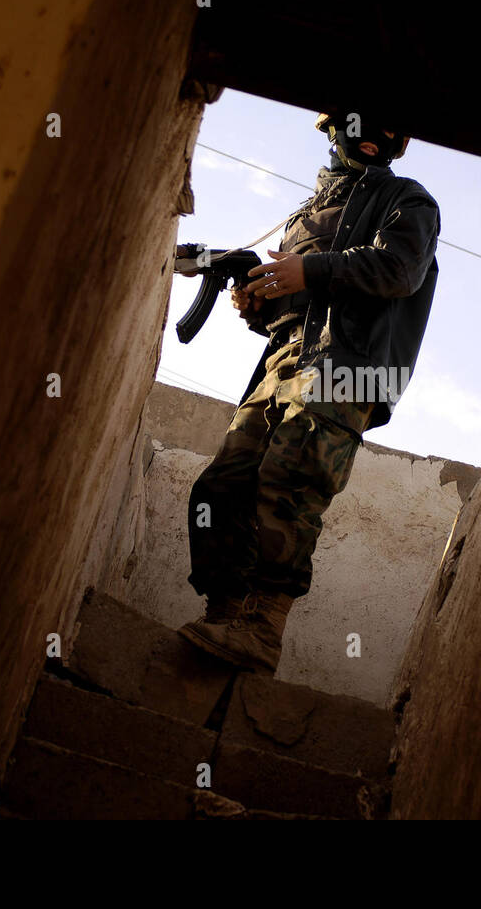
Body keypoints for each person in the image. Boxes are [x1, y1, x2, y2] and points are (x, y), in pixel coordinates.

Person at [177, 110, 441, 673]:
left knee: (292, 477)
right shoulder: (306, 214)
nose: (373, 138)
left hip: (350, 368)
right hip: (283, 362)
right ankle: (225, 617)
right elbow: (293, 299)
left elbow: (399, 269)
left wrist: (310, 270)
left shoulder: (409, 201)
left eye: (385, 128)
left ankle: (262, 629)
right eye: (360, 124)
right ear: (331, 128)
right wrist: (257, 304)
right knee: (222, 485)